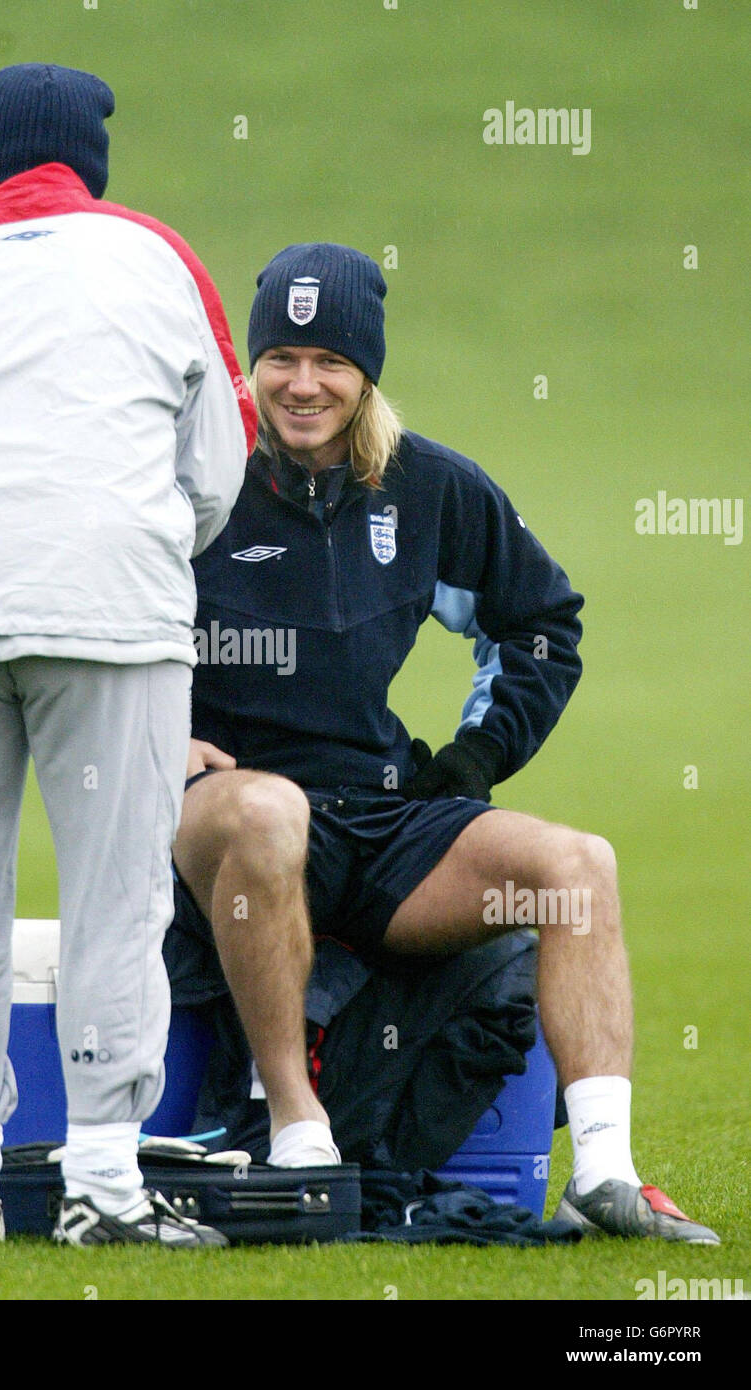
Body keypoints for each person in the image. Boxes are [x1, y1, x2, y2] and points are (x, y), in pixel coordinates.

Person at [168, 242, 719, 1242]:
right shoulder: (194, 480)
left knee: (574, 865)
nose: (302, 383)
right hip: (227, 817)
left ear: (365, 370)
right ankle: (298, 1136)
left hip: (379, 821)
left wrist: (471, 761)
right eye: (280, 357)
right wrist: (160, 738)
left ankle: (603, 1177)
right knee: (267, 805)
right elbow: (92, 626)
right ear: (248, 365)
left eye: (328, 359)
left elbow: (542, 623)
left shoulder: (425, 487)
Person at [0, 64, 257, 1247]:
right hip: (108, 610)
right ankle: (105, 1190)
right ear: (93, 158)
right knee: (115, 902)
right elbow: (216, 464)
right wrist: (140, 550)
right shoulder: (155, 255)